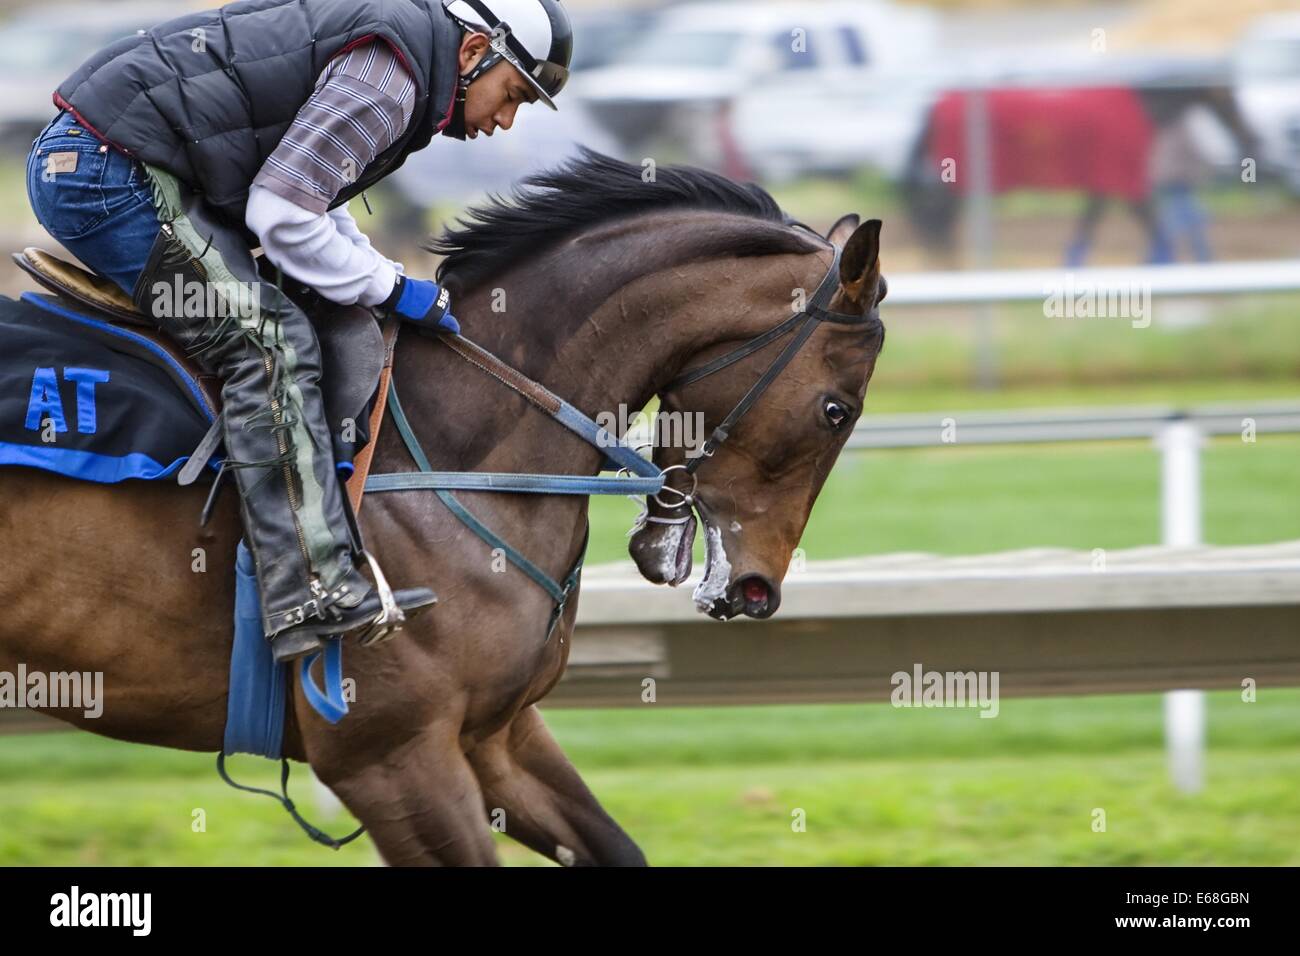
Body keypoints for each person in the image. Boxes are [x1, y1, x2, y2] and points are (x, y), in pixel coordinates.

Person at [25, 0, 574, 663]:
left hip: (126, 161)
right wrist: (395, 288)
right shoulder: (390, 79)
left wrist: (384, 277)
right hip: (107, 175)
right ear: (472, 51)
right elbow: (282, 214)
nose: (505, 121)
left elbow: (311, 199)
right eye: (511, 94)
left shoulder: (403, 64)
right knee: (270, 342)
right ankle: (309, 589)